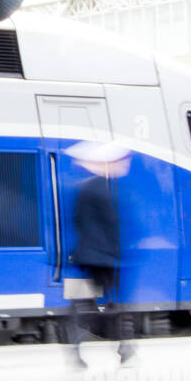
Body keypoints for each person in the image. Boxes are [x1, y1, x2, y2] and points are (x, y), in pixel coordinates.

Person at [64, 142, 134, 368]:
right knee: (115, 305)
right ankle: (124, 348)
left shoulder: (84, 187)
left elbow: (77, 221)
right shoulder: (104, 188)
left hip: (85, 257)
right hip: (105, 259)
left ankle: (75, 349)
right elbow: (114, 224)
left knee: (83, 305)